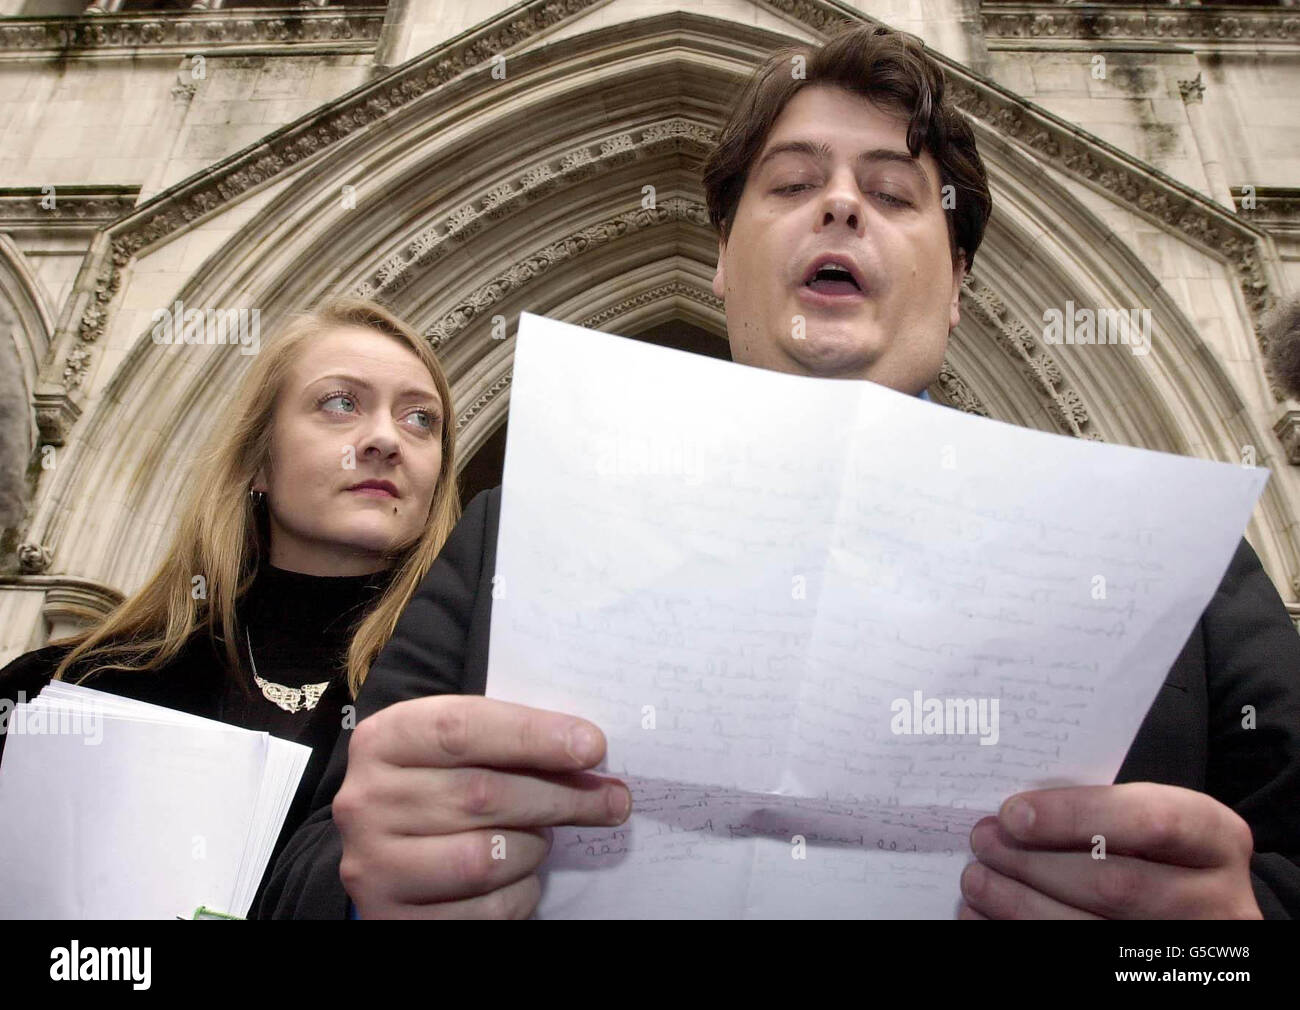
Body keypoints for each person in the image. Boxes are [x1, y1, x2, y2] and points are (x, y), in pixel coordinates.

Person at [258, 25, 1300, 919]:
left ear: (960, 285)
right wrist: (369, 881)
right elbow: (306, 869)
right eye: (793, 183)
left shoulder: (1174, 560)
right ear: (719, 259)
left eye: (893, 192)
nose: (839, 205)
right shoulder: (506, 535)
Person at [0, 297, 460, 912]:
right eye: (341, 402)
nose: (384, 439)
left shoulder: (466, 703)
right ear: (257, 460)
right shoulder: (62, 692)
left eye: (420, 420)